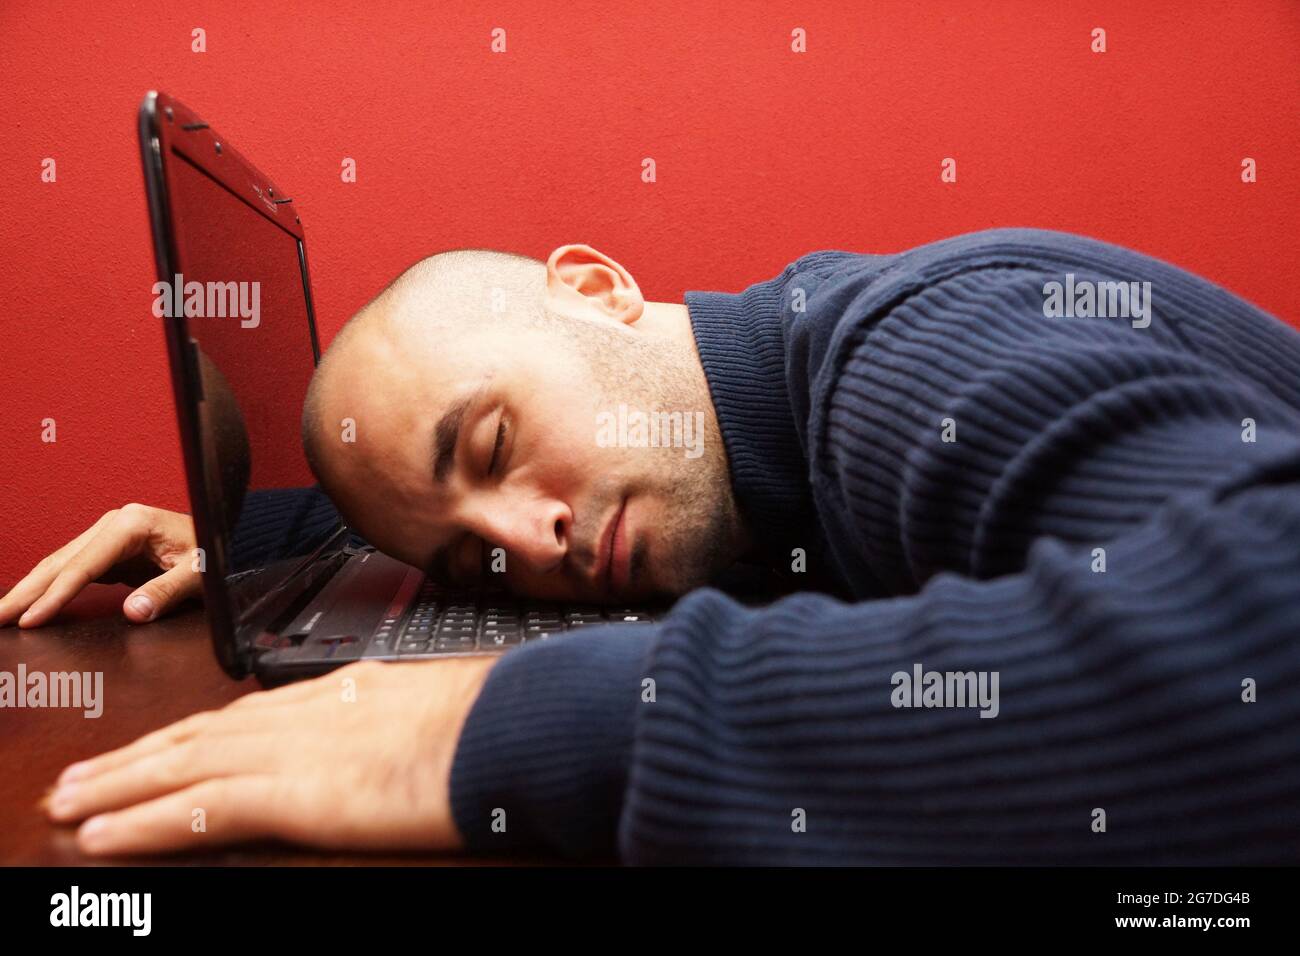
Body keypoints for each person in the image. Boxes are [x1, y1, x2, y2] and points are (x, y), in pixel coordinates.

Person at [4, 229, 1299, 863]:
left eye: (494, 444)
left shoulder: (899, 361)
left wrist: (515, 727)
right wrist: (257, 549)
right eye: (470, 563)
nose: (533, 541)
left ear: (600, 288)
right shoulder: (737, 474)